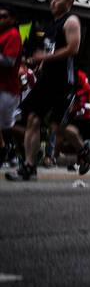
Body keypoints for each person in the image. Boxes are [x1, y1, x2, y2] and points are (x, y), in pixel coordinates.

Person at [9, 0, 90, 181]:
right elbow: (52, 49)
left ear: (69, 2)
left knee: (57, 128)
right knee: (32, 120)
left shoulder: (71, 21)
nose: (52, 0)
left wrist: (44, 57)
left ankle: (82, 149)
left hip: (64, 83)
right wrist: (42, 65)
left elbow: (73, 48)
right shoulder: (50, 25)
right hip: (46, 80)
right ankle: (29, 167)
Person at [0, 9, 23, 168]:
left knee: (7, 127)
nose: (0, 19)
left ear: (12, 19)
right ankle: (3, 149)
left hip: (8, 89)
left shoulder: (13, 34)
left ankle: (31, 138)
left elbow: (9, 60)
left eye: (4, 16)